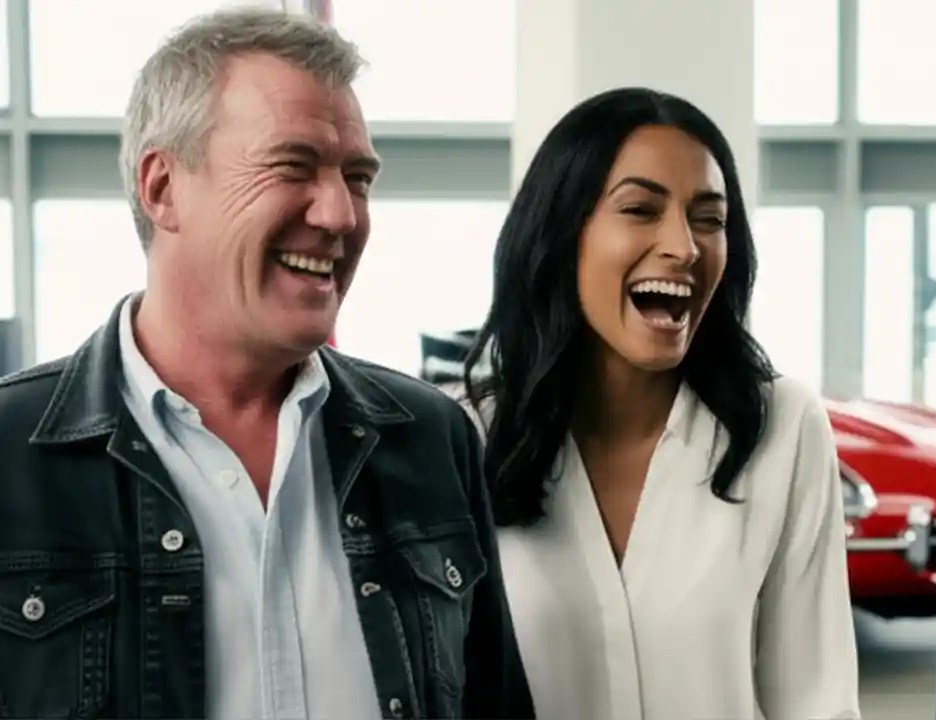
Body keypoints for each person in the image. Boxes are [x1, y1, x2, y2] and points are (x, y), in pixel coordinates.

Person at [0, 8, 530, 719]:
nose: (342, 214)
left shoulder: (432, 440)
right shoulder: (12, 457)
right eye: (292, 166)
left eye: (360, 177)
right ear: (163, 188)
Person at [461, 87, 860, 718]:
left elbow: (816, 700)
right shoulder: (466, 438)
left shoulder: (783, 427)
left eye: (709, 218)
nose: (685, 245)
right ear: (563, 233)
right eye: (641, 209)